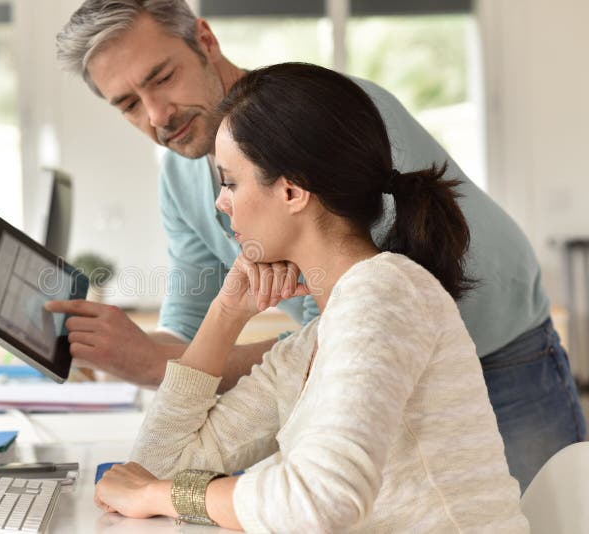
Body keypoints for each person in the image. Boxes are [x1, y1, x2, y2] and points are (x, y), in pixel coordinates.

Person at [53, 0, 585, 490]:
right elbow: (199, 326)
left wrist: (156, 368)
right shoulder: (180, 175)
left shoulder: (322, 118)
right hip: (368, 366)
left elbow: (341, 336)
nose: (157, 115)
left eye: (162, 77)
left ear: (205, 40)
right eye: (127, 104)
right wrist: (136, 352)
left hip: (499, 347)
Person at [93, 63, 529, 532]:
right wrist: (225, 314)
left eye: (230, 182)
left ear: (291, 190)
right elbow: (156, 467)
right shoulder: (313, 342)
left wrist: (157, 494)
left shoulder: (384, 295)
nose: (222, 203)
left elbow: (321, 501)